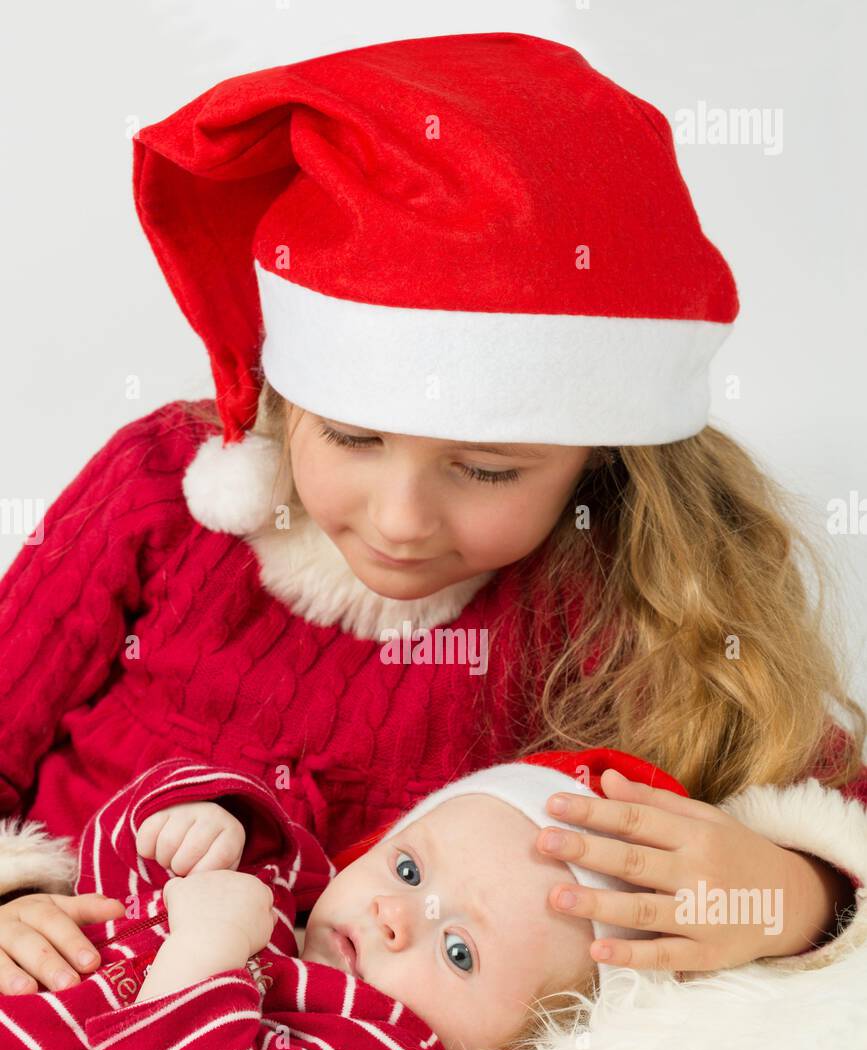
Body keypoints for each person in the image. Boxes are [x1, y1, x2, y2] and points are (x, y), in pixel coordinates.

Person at [0, 34, 865, 987]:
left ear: (597, 464)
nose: (402, 519)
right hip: (64, 1004)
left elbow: (827, 796)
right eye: (352, 440)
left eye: (488, 471)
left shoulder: (621, 591)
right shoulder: (163, 486)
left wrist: (792, 889)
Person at [0, 747, 679, 1050]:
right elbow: (109, 863)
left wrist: (205, 949)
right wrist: (202, 820)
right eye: (408, 869)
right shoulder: (277, 889)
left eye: (458, 952)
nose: (394, 915)